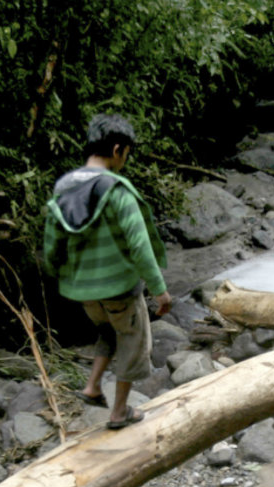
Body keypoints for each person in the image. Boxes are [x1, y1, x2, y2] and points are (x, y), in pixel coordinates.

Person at [44, 114, 171, 429]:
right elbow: (139, 246)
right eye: (126, 152)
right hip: (120, 291)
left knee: (106, 333)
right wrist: (159, 289)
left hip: (86, 294)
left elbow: (51, 247)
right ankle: (119, 411)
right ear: (117, 149)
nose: (125, 159)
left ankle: (92, 386)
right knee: (133, 341)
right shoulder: (117, 191)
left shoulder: (63, 188)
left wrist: (63, 276)